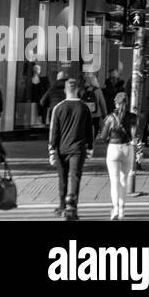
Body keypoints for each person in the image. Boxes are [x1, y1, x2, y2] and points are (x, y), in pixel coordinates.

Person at [47, 78, 95, 219]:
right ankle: (72, 209)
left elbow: (54, 131)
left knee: (62, 179)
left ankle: (62, 206)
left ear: (65, 91)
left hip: (62, 149)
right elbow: (89, 130)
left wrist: (51, 150)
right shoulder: (84, 107)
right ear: (77, 90)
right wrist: (90, 149)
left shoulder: (59, 108)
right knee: (75, 178)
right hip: (78, 149)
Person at [100, 93, 137, 220]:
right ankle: (122, 209)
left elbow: (103, 136)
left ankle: (115, 208)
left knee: (114, 181)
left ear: (116, 103)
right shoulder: (133, 117)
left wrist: (110, 140)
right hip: (127, 148)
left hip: (113, 148)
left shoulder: (110, 118)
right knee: (123, 180)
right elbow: (135, 135)